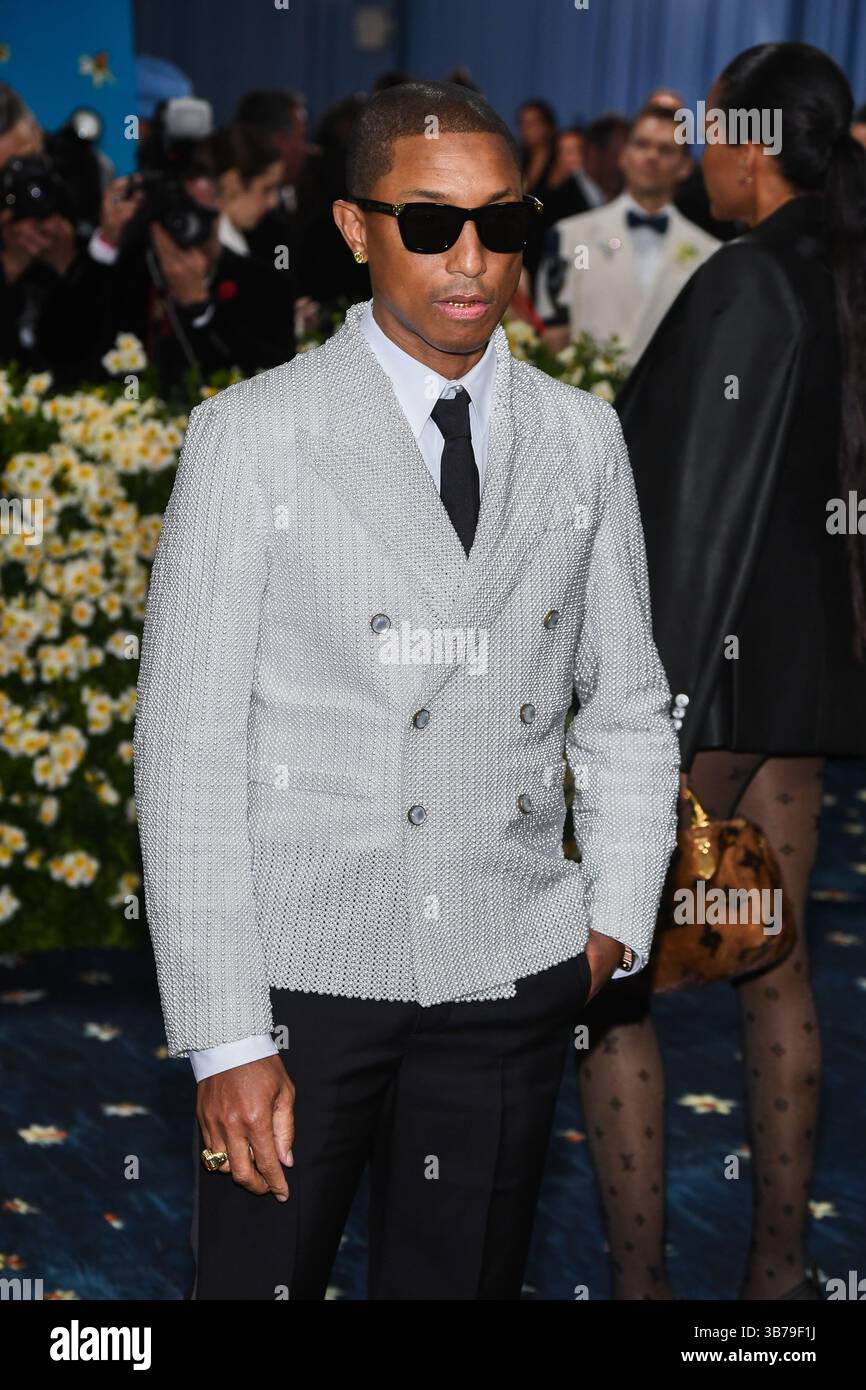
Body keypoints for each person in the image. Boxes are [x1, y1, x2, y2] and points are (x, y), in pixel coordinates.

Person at [132, 78, 680, 1301]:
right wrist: (224, 1033)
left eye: (502, 222)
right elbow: (188, 755)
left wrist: (607, 930)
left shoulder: (581, 435)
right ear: (352, 228)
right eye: (429, 225)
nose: (470, 259)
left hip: (508, 965)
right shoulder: (252, 435)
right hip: (299, 978)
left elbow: (630, 707)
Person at [577, 42, 866, 1302]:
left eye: (709, 134)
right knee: (774, 963)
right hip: (805, 686)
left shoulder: (747, 277)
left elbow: (687, 517)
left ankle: (639, 1293)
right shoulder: (841, 264)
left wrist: (644, 712)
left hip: (711, 682)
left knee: (614, 986)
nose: (694, 153)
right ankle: (778, 1280)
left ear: (752, 145)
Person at [536, 105, 719, 363]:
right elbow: (552, 335)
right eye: (642, 144)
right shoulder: (570, 237)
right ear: (623, 156)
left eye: (666, 149)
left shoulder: (709, 254)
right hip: (584, 398)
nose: (652, 156)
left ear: (685, 166)